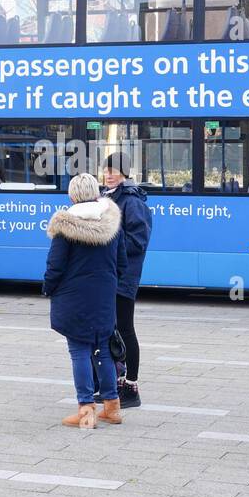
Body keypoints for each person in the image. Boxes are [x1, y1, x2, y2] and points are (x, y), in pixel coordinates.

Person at [44, 173, 128, 429]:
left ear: (72, 196)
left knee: (79, 350)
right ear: (96, 192)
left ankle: (85, 411)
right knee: (102, 347)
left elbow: (55, 266)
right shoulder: (112, 222)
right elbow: (122, 263)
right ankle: (112, 407)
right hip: (104, 296)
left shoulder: (65, 226)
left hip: (74, 298)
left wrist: (48, 288)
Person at [100, 151, 151, 409]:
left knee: (125, 329)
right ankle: (114, 382)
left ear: (125, 173)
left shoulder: (132, 202)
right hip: (108, 275)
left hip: (124, 276)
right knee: (111, 330)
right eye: (106, 170)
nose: (109, 175)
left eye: (114, 170)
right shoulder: (107, 197)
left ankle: (131, 386)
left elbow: (138, 242)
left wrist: (108, 238)